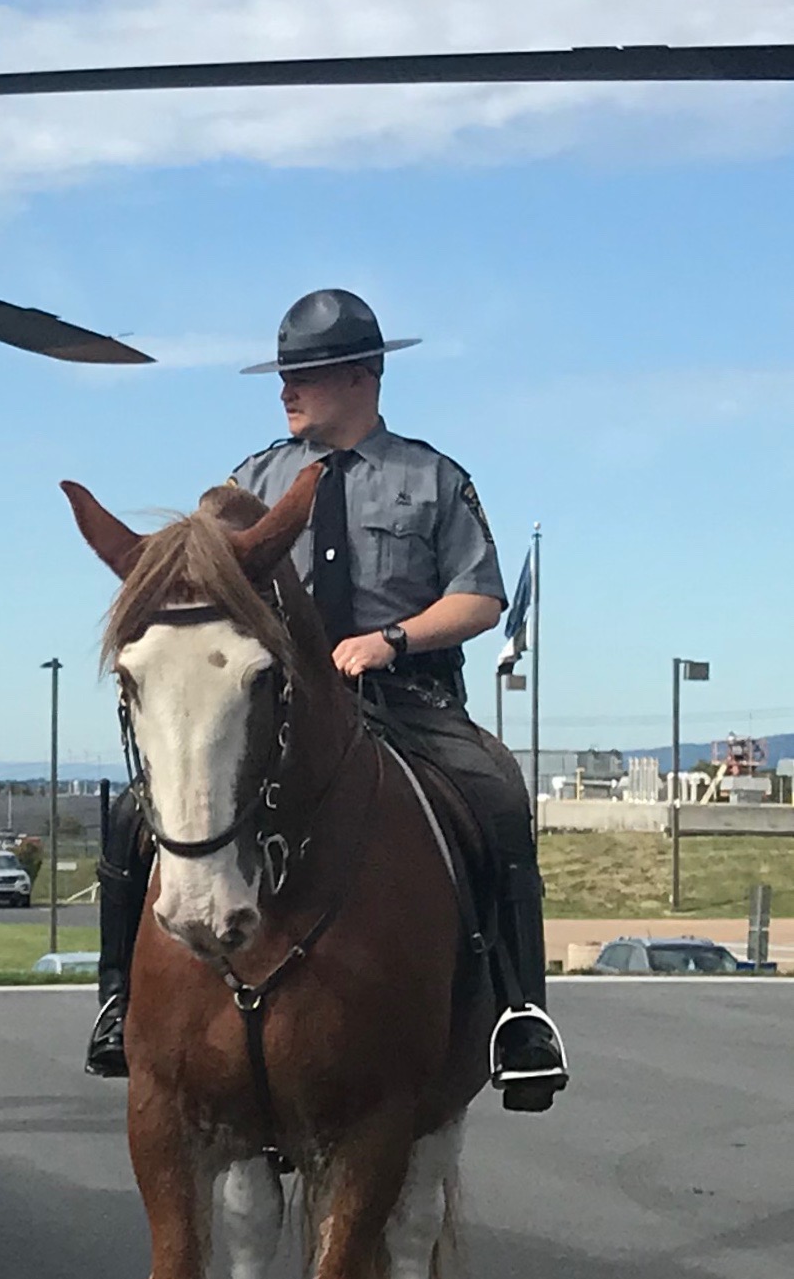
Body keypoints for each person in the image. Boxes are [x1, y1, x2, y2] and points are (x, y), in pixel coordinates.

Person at [87, 288, 567, 1104]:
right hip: (284, 708)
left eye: (303, 373)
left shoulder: (432, 478)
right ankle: (115, 1002)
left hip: (405, 698)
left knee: (495, 792)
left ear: (362, 375)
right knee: (136, 812)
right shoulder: (250, 481)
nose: (285, 389)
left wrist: (391, 639)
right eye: (282, 374)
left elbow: (479, 600)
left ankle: (518, 1013)